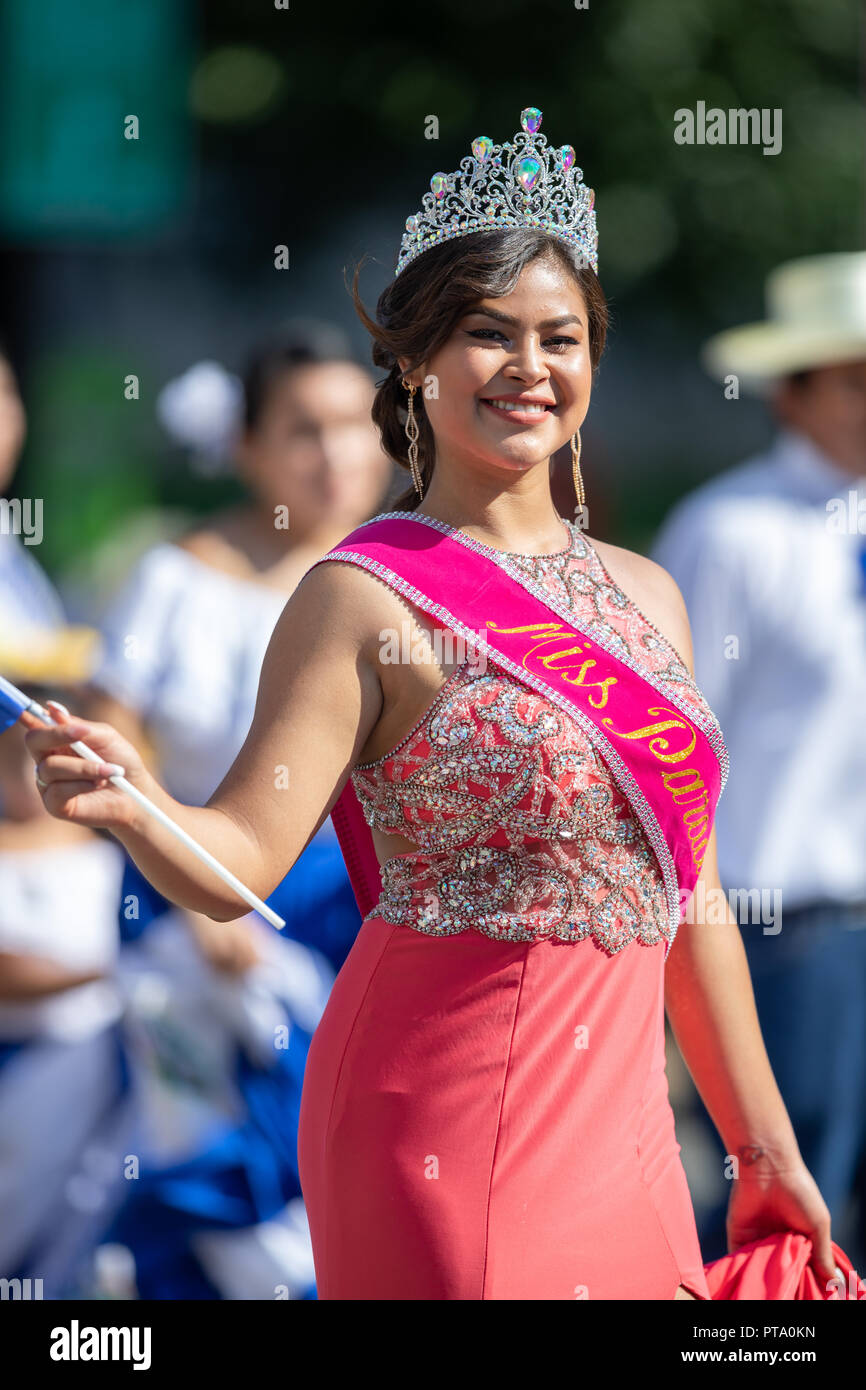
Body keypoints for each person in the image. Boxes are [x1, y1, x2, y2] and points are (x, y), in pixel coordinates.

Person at [21, 107, 837, 1301]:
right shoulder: (361, 592)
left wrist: (762, 1148)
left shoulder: (649, 596)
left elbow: (690, 893)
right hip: (443, 1113)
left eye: (559, 337)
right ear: (413, 364)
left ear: (593, 360)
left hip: (624, 1134)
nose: (527, 367)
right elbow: (243, 849)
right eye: (484, 334)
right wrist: (132, 803)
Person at [79, 322, 391, 1298]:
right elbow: (104, 763)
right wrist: (187, 896)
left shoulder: (422, 574)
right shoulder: (177, 579)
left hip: (373, 916)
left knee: (370, 1174)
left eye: (356, 423)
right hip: (202, 905)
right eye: (304, 428)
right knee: (229, 1191)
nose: (336, 452)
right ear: (246, 446)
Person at [651, 252, 866, 1269]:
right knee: (783, 1208)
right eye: (855, 376)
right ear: (791, 390)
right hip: (784, 925)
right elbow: (677, 751)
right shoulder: (727, 529)